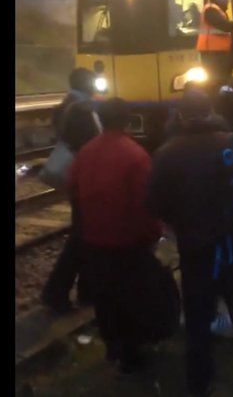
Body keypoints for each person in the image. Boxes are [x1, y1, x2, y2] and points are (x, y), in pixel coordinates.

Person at [148, 89, 233, 397]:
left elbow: (154, 204)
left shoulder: (167, 153)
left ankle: (199, 384)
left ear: (180, 115)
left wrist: (181, 220)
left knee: (197, 322)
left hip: (196, 251)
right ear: (211, 111)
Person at [68, 98, 164, 374]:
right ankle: (130, 355)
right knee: (130, 296)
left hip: (94, 238)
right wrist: (153, 234)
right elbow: (145, 203)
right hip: (128, 241)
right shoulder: (135, 155)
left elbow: (72, 186)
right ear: (128, 119)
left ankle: (112, 346)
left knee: (105, 296)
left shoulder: (86, 151)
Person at [40, 68, 102, 313]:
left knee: (84, 235)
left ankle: (86, 291)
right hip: (84, 179)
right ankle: (56, 292)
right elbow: (90, 144)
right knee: (81, 236)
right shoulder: (82, 109)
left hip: (79, 178)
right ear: (87, 84)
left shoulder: (69, 104)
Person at [196, 0, 233, 91]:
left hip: (217, 53)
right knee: (216, 82)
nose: (228, 0)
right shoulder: (211, 9)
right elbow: (224, 25)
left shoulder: (217, 10)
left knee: (219, 81)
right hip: (213, 54)